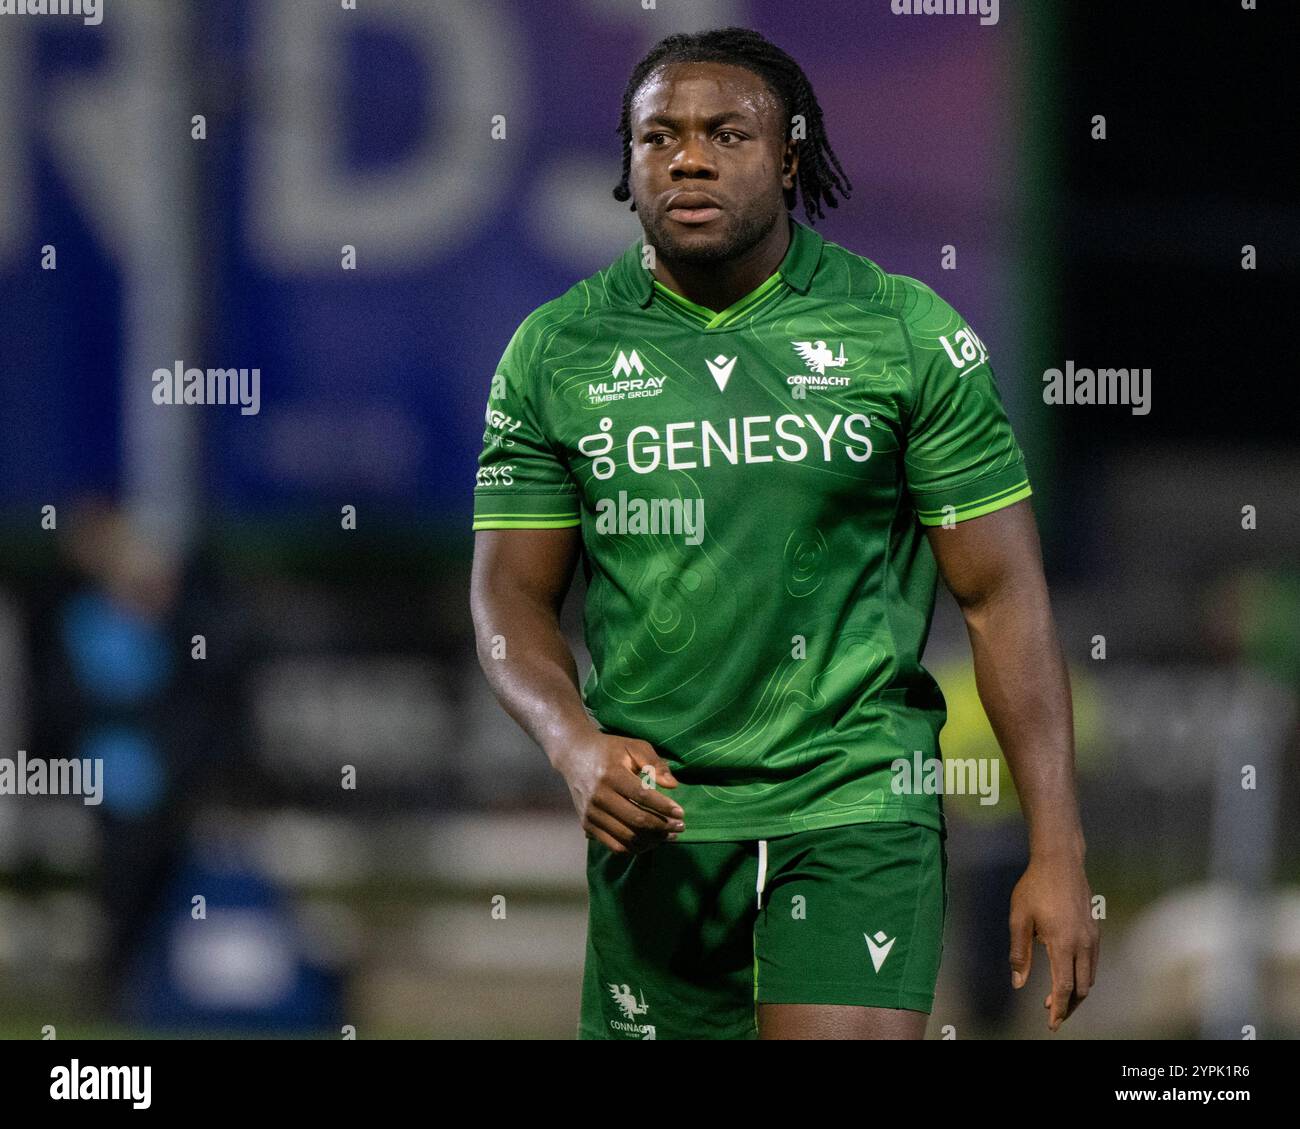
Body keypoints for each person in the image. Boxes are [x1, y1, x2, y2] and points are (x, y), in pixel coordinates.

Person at [469, 26, 1098, 1040]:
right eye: (657, 136)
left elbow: (1001, 595)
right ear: (628, 165)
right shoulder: (554, 352)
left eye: (727, 132)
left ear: (790, 157)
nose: (688, 156)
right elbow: (508, 595)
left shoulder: (905, 333)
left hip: (854, 800)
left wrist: (1057, 848)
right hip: (656, 822)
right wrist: (573, 743)